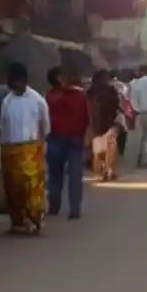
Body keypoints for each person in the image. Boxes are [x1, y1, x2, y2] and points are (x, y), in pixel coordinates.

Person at [0, 63, 51, 235]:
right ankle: (17, 222)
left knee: (33, 187)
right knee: (14, 188)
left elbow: (45, 126)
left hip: (31, 149)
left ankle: (35, 220)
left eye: (17, 81)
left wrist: (39, 145)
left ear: (24, 80)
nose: (15, 85)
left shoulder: (37, 100)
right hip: (10, 149)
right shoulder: (7, 101)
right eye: (12, 81)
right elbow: (3, 125)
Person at [45, 67, 90, 219]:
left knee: (55, 175)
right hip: (74, 139)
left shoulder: (50, 97)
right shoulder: (79, 95)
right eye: (64, 76)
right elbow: (87, 117)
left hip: (56, 139)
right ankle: (74, 209)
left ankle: (54, 206)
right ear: (59, 78)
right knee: (74, 175)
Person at [87, 69, 123, 181]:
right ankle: (109, 170)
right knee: (111, 146)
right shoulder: (111, 91)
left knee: (99, 149)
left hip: (95, 124)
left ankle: (104, 170)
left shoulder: (89, 92)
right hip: (109, 122)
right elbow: (117, 105)